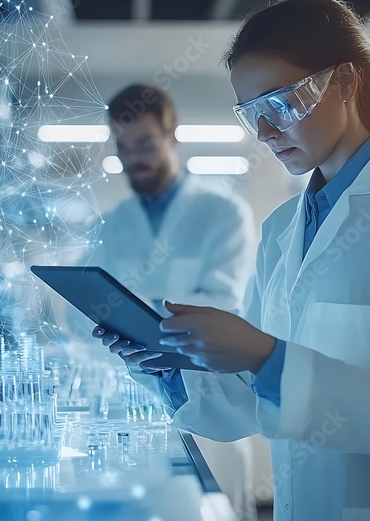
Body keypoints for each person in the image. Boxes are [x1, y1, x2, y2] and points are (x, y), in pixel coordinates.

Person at [95, 0, 370, 520]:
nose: (265, 132)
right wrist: (162, 367)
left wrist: (264, 354)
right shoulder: (283, 229)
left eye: (280, 104)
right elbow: (253, 400)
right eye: (252, 114)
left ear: (346, 82)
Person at [78, 83, 260, 521]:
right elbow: (76, 310)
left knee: (213, 509)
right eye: (124, 147)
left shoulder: (223, 214)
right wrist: (125, 312)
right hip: (139, 403)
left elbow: (225, 304)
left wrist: (130, 310)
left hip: (214, 400)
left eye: (145, 143)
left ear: (171, 137)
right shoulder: (112, 224)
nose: (134, 158)